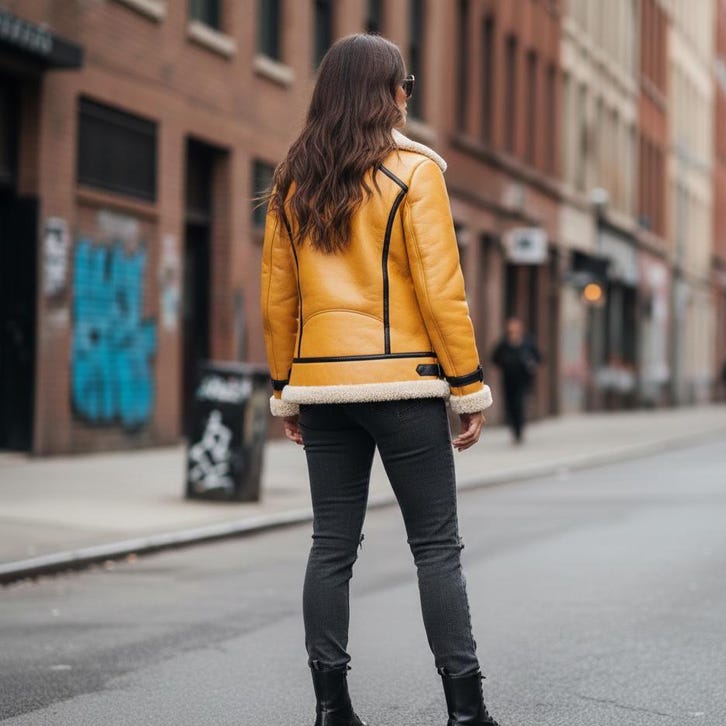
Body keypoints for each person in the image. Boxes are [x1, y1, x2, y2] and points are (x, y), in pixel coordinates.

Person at [261, 34, 499, 726]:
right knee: (436, 547)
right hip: (404, 386)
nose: (408, 95)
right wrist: (467, 386)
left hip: (322, 388)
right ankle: (466, 711)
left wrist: (285, 390)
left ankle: (331, 708)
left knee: (331, 547)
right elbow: (441, 292)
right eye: (406, 84)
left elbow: (277, 300)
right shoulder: (414, 173)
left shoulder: (291, 181)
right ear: (387, 93)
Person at [491, 317, 543, 444]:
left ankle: (519, 430)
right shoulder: (504, 344)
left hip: (523, 380)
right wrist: (503, 364)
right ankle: (514, 429)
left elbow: (539, 357)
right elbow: (494, 357)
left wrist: (533, 364)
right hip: (508, 380)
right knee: (510, 406)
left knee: (519, 404)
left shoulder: (527, 343)